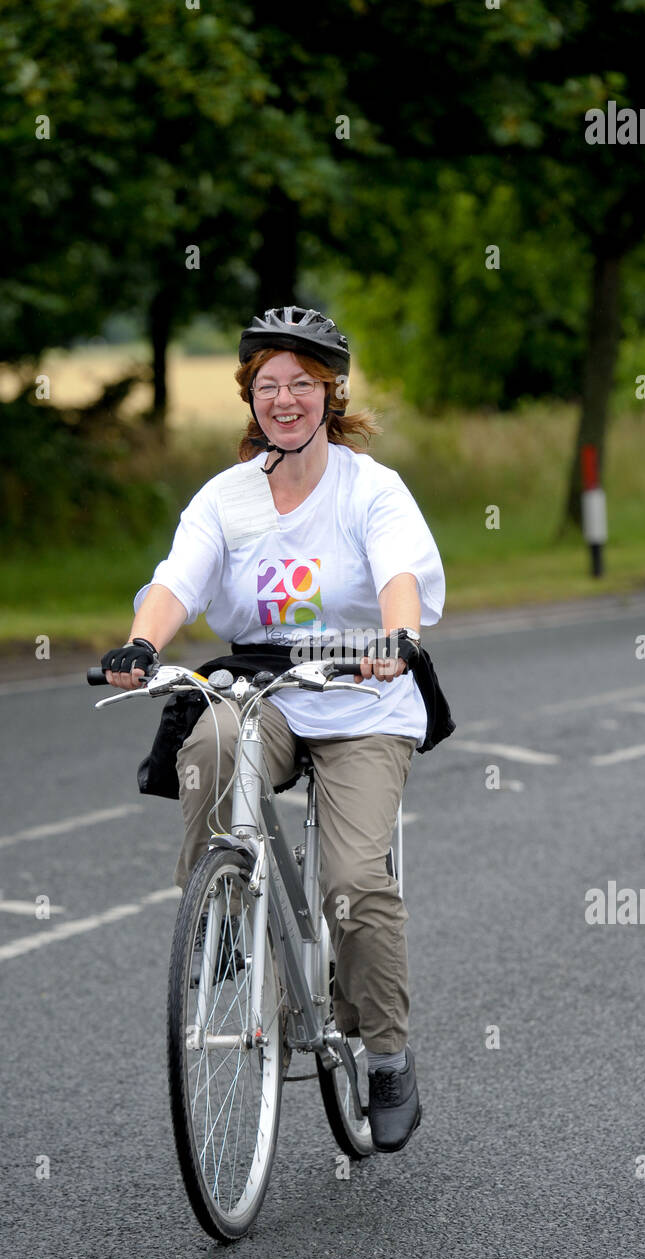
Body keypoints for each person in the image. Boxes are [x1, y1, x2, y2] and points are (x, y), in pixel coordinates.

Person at [100, 305, 448, 1152]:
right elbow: (175, 581)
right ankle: (221, 911)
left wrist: (395, 640)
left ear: (330, 394)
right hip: (270, 689)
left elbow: (399, 572)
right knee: (212, 737)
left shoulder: (369, 487)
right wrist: (144, 644)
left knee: (356, 878)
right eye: (267, 385)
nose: (284, 399)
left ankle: (388, 1055)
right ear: (249, 399)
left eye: (301, 384)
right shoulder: (225, 498)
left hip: (363, 694)